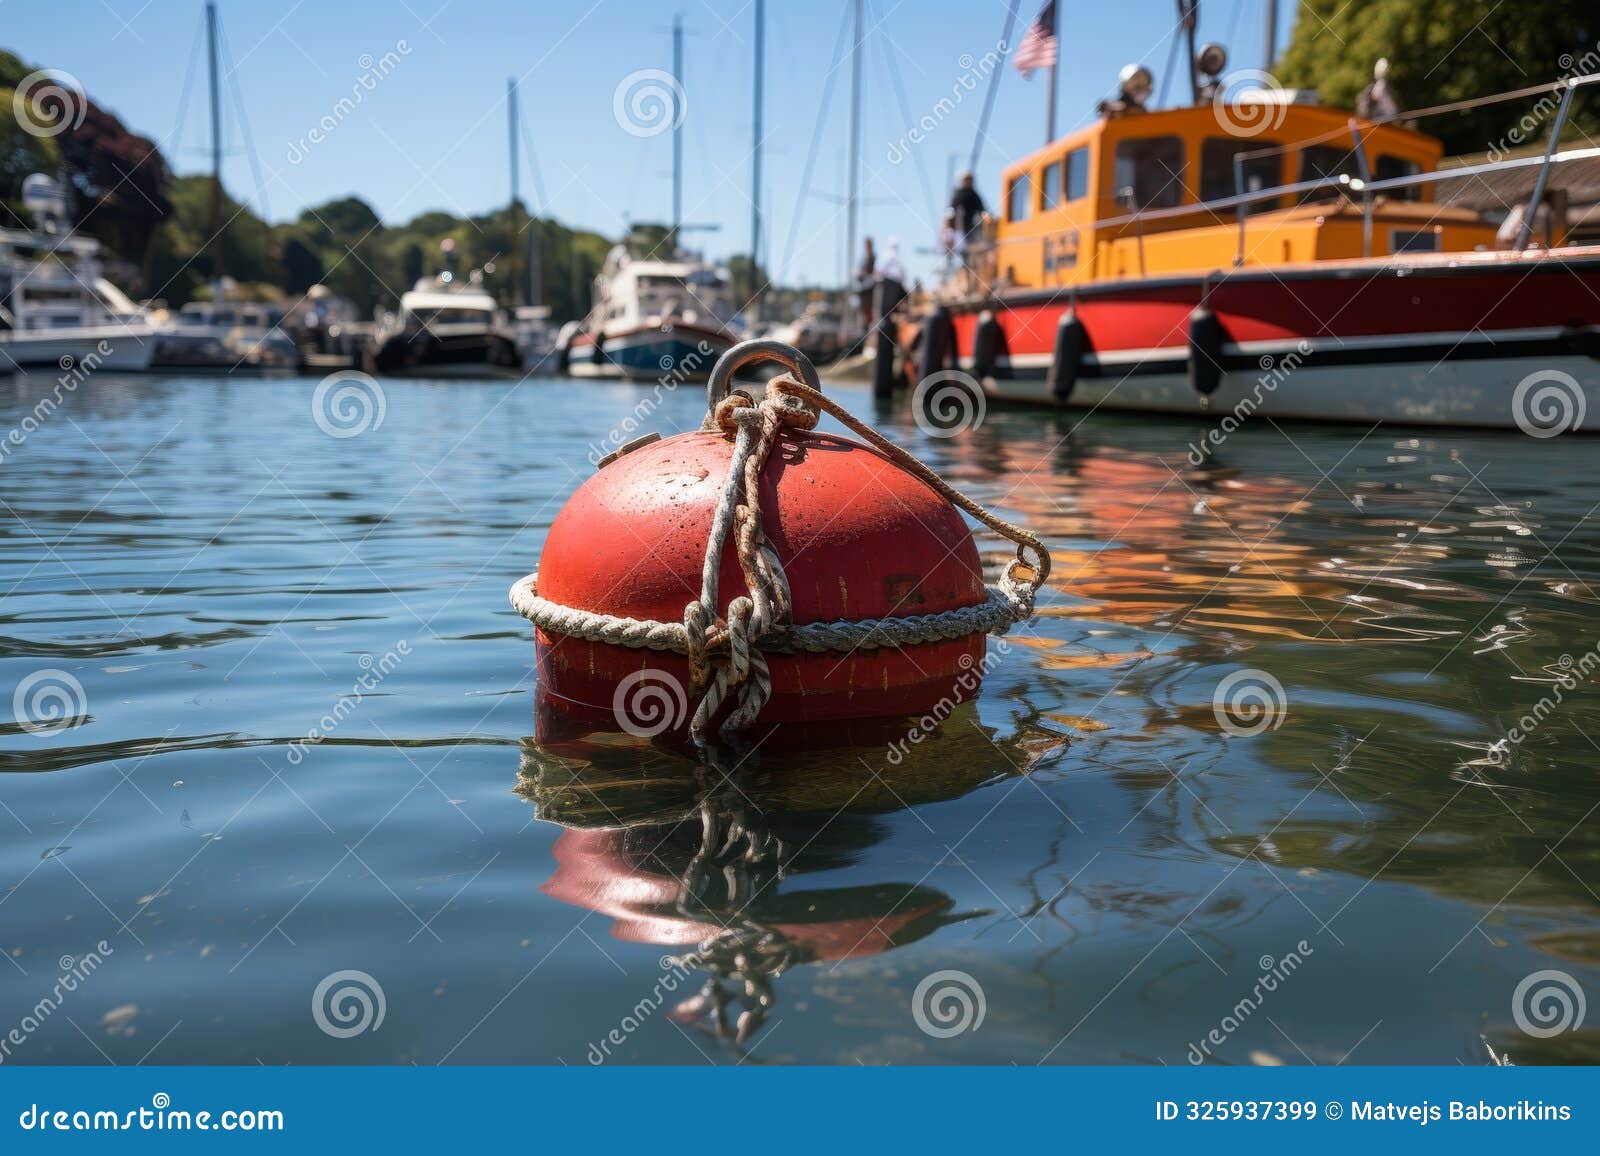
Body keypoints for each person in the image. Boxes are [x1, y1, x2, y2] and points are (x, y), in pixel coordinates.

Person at [855, 237, 876, 330]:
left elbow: (870, 271)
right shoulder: (865, 258)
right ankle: (864, 329)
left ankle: (867, 329)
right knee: (863, 311)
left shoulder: (872, 257)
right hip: (863, 288)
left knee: (868, 311)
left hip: (869, 288)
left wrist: (863, 273)